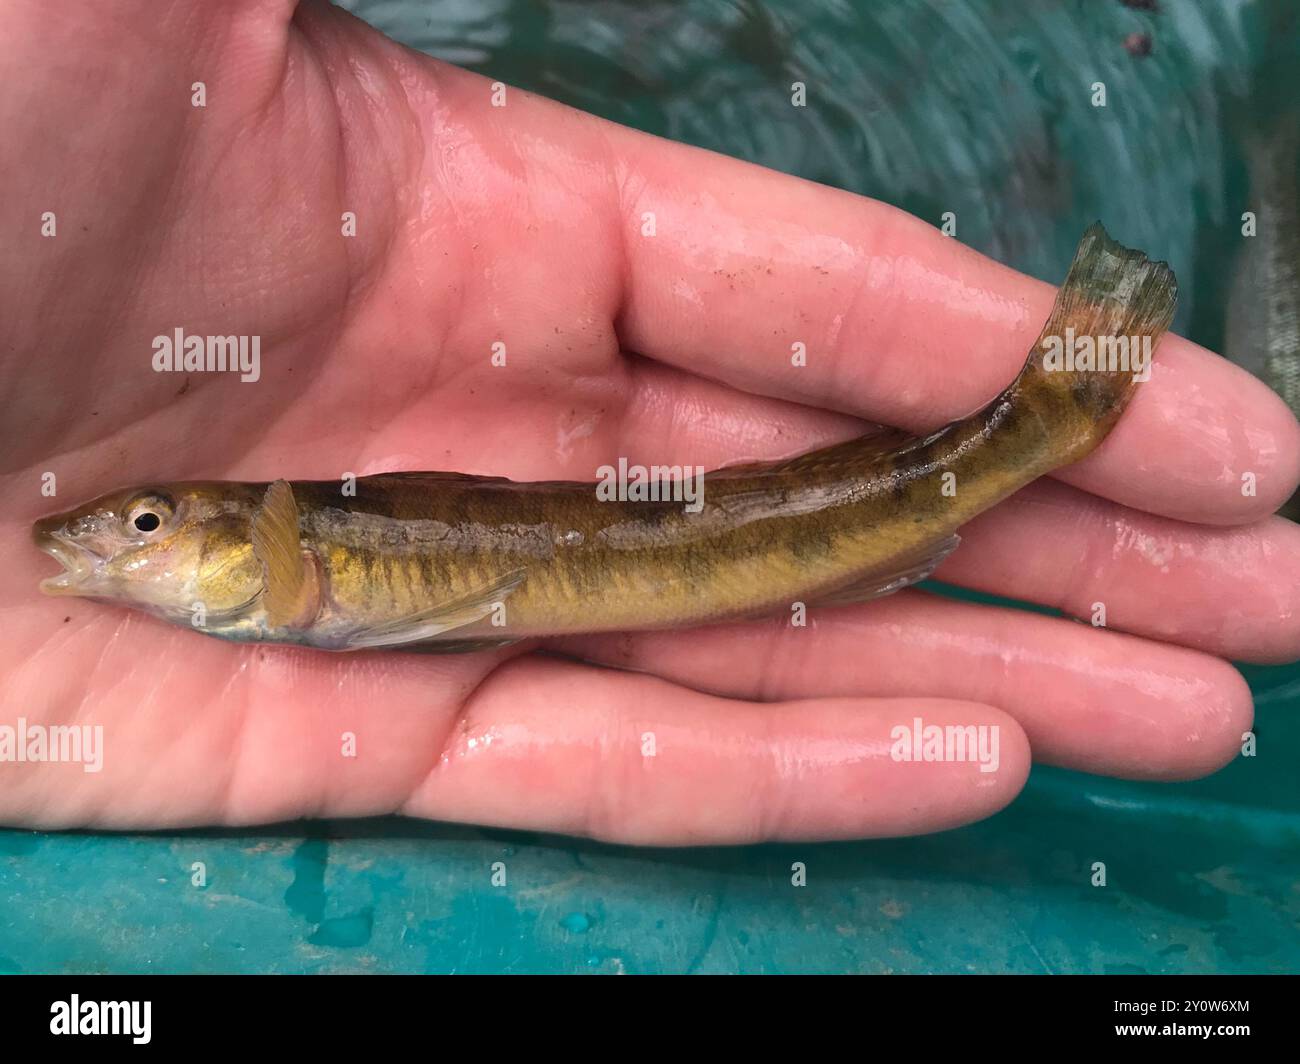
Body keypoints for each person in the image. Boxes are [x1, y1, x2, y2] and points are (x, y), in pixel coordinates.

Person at [3, 0, 1297, 844]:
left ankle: (1045, 416)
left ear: (261, 539)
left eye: (149, 523)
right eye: (140, 527)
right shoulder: (278, 573)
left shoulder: (297, 557)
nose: (111, 544)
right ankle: (1035, 421)